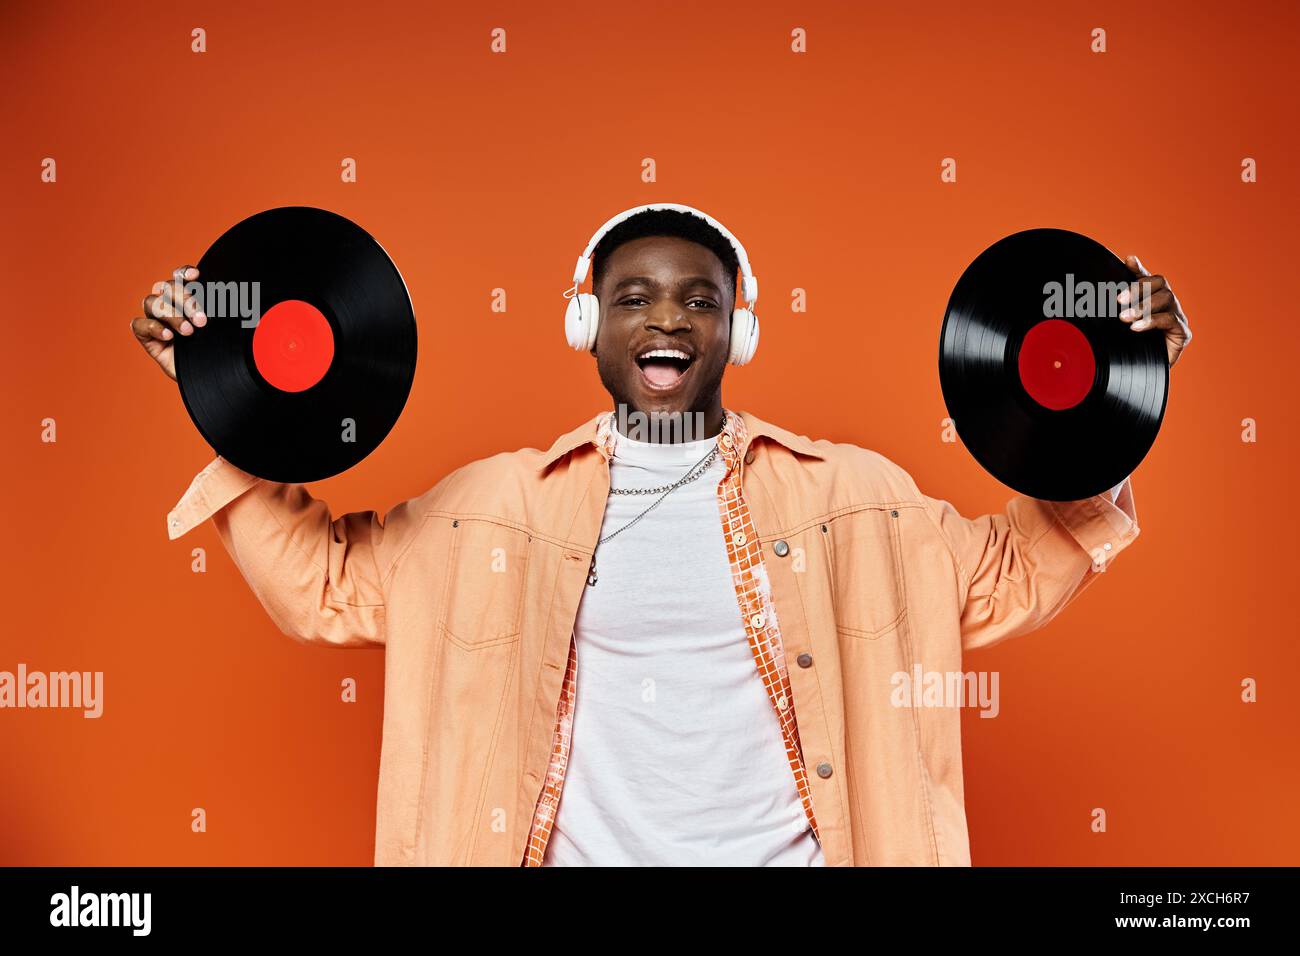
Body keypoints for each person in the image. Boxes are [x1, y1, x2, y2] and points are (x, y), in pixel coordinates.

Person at [131, 204, 1191, 866]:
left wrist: (1121, 393)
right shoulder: (487, 510)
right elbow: (321, 581)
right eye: (632, 296)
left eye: (699, 298)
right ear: (587, 326)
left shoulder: (858, 499)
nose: (667, 319)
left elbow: (1012, 568)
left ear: (740, 327)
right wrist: (219, 390)